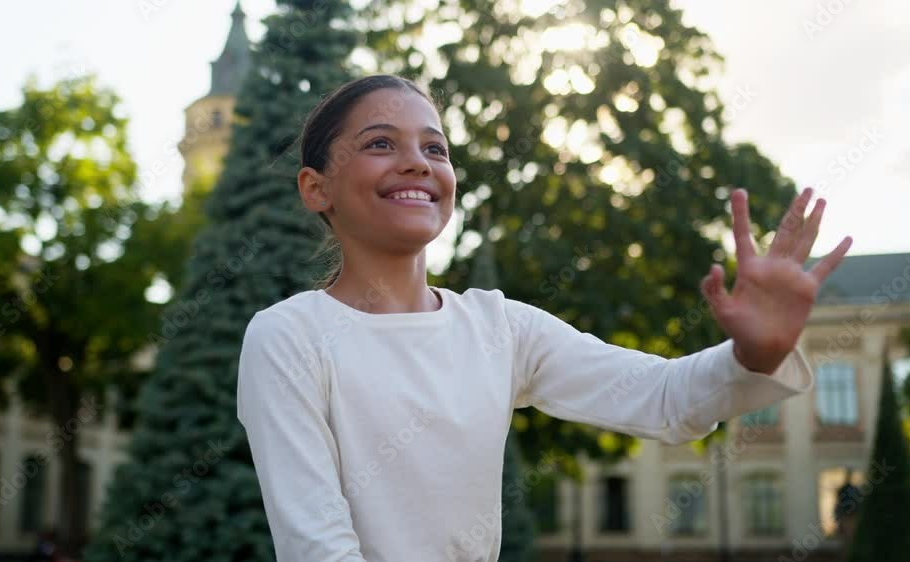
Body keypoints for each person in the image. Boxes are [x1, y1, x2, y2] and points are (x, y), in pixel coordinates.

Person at [235, 74, 852, 562]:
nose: (419, 163)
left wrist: (757, 354)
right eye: (379, 143)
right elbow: (318, 547)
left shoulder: (500, 328)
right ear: (317, 188)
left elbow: (665, 399)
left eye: (435, 147)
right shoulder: (289, 337)